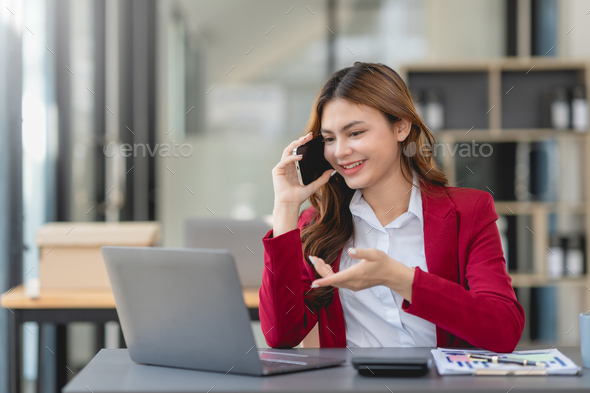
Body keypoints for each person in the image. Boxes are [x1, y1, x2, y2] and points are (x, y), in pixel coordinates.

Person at [259, 62, 525, 352]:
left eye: (356, 133)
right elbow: (280, 334)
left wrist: (399, 278)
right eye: (330, 139)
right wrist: (286, 207)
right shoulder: (318, 225)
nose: (340, 151)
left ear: (400, 126)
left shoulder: (469, 211)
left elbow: (503, 329)